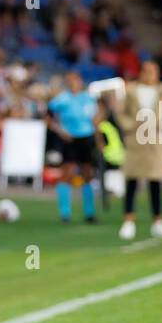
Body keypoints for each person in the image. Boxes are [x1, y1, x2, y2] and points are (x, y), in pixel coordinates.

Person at [115, 60, 162, 240]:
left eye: (154, 71)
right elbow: (121, 113)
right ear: (141, 72)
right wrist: (131, 125)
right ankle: (128, 221)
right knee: (132, 180)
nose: (151, 75)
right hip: (135, 139)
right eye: (148, 71)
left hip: (156, 140)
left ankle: (158, 221)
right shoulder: (131, 91)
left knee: (155, 181)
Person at [45, 71, 99, 224]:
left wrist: (97, 138)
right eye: (70, 80)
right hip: (70, 139)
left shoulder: (87, 99)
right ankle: (65, 213)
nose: (74, 83)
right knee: (67, 174)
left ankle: (89, 213)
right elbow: (48, 118)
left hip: (86, 138)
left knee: (87, 174)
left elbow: (94, 119)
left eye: (76, 80)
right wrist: (60, 131)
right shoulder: (61, 100)